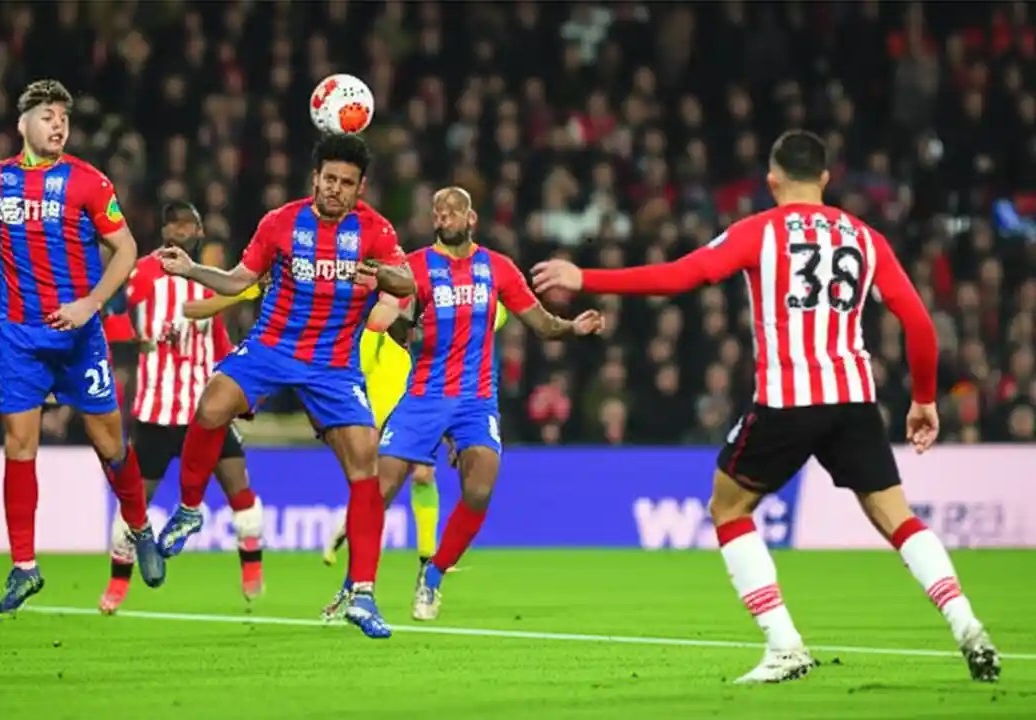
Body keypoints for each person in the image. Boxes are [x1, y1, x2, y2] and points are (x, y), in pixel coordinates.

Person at [532, 130, 1000, 684]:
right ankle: (969, 627)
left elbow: (682, 276)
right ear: (825, 179)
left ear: (773, 180)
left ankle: (784, 645)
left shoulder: (760, 231)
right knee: (897, 517)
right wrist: (924, 399)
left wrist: (587, 276)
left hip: (786, 401)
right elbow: (920, 324)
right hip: (853, 399)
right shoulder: (864, 237)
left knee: (728, 509)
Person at [0, 79, 164, 619]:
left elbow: (127, 249)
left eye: (64, 118)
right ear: (23, 124)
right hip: (19, 337)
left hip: (78, 337)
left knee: (109, 444)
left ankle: (140, 527)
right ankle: (25, 567)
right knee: (18, 446)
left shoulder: (87, 182)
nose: (59, 125)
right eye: (48, 116)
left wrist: (90, 305)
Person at [154, 133, 415, 639]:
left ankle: (362, 593)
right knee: (210, 407)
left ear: (360, 188)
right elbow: (236, 280)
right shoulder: (280, 223)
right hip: (272, 347)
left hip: (334, 366)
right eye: (330, 179)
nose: (337, 189)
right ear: (315, 178)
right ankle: (188, 510)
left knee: (366, 469)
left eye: (348, 183)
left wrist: (383, 275)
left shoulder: (375, 230)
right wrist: (192, 270)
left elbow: (406, 283)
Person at [322, 187, 603, 622]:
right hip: (424, 396)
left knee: (480, 488)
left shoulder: (498, 268)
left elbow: (542, 325)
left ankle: (433, 575)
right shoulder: (415, 266)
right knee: (379, 489)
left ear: (472, 218)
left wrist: (573, 328)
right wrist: (386, 299)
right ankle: (355, 587)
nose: (446, 215)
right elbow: (397, 303)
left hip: (476, 400)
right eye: (439, 210)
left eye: (454, 209)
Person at [100, 201, 265, 615]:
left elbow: (221, 342)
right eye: (175, 225)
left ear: (199, 230)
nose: (182, 231)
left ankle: (251, 568)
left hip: (203, 408)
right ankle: (118, 582)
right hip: (155, 409)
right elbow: (110, 316)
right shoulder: (138, 271)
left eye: (189, 225)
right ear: (163, 229)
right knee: (135, 503)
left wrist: (242, 396)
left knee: (238, 487)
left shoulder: (211, 282)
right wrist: (137, 335)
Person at [320, 292, 511, 570]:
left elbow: (500, 313)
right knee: (384, 487)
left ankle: (424, 554)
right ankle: (347, 536)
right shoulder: (378, 330)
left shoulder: (441, 330)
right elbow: (360, 368)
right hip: (383, 416)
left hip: (419, 409)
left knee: (423, 475)